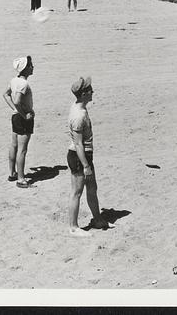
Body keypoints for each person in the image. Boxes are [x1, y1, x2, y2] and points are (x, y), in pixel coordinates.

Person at [67, 76, 109, 236]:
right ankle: (73, 227)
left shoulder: (80, 107)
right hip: (79, 157)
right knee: (76, 191)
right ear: (84, 94)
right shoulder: (78, 115)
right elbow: (78, 144)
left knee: (92, 188)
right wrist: (85, 166)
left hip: (85, 155)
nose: (93, 91)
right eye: (90, 89)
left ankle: (97, 219)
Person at [2, 56, 36, 187]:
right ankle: (21, 179)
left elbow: (6, 94)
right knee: (22, 150)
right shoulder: (23, 84)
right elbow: (17, 101)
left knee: (14, 145)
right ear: (26, 68)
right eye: (31, 65)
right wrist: (24, 114)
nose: (32, 67)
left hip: (15, 117)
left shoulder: (14, 80)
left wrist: (14, 109)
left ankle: (12, 173)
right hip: (22, 118)